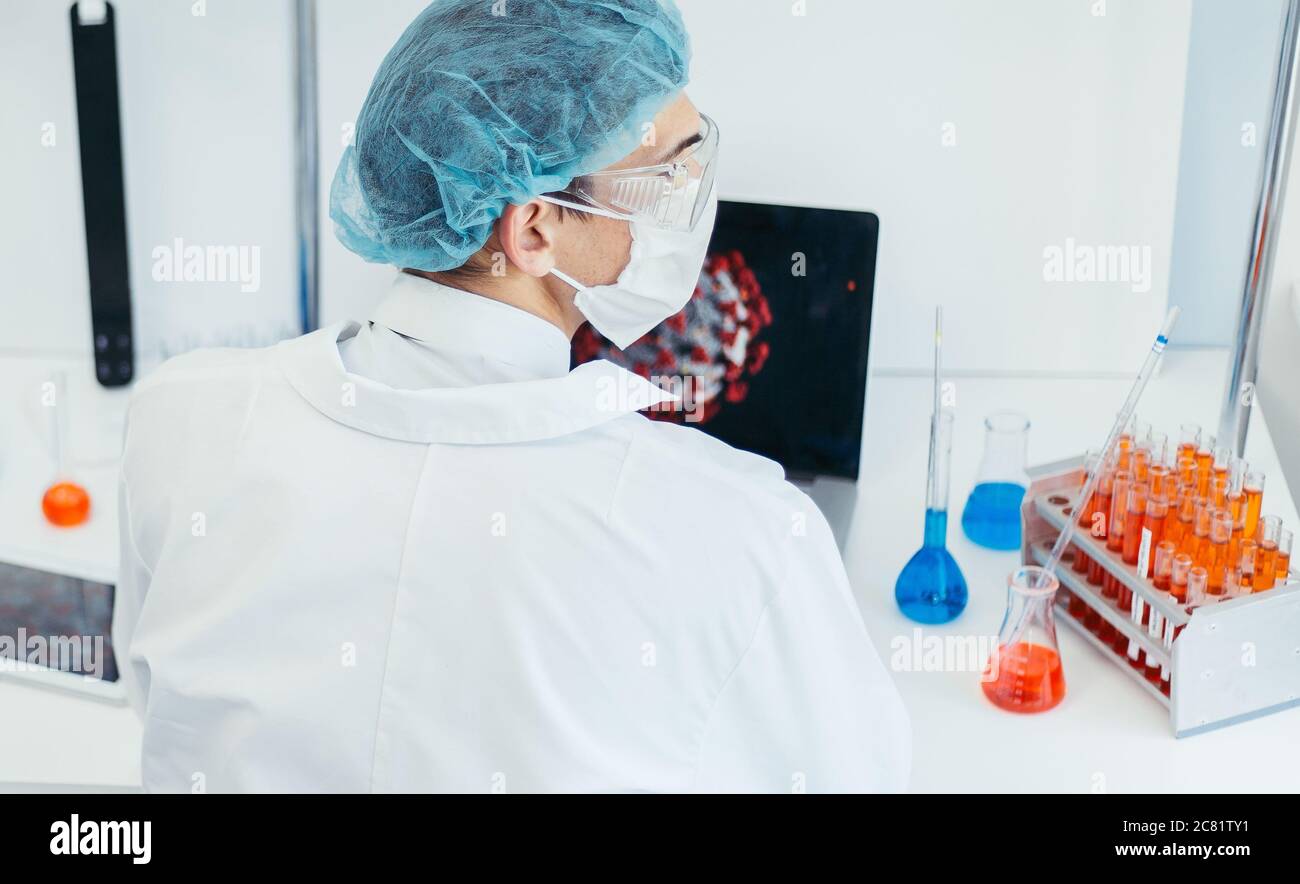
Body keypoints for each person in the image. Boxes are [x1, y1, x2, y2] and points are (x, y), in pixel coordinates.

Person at [113, 0, 909, 793]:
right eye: (671, 171)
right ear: (533, 232)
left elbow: (159, 706)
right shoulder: (747, 536)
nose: (695, 194)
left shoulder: (180, 416)